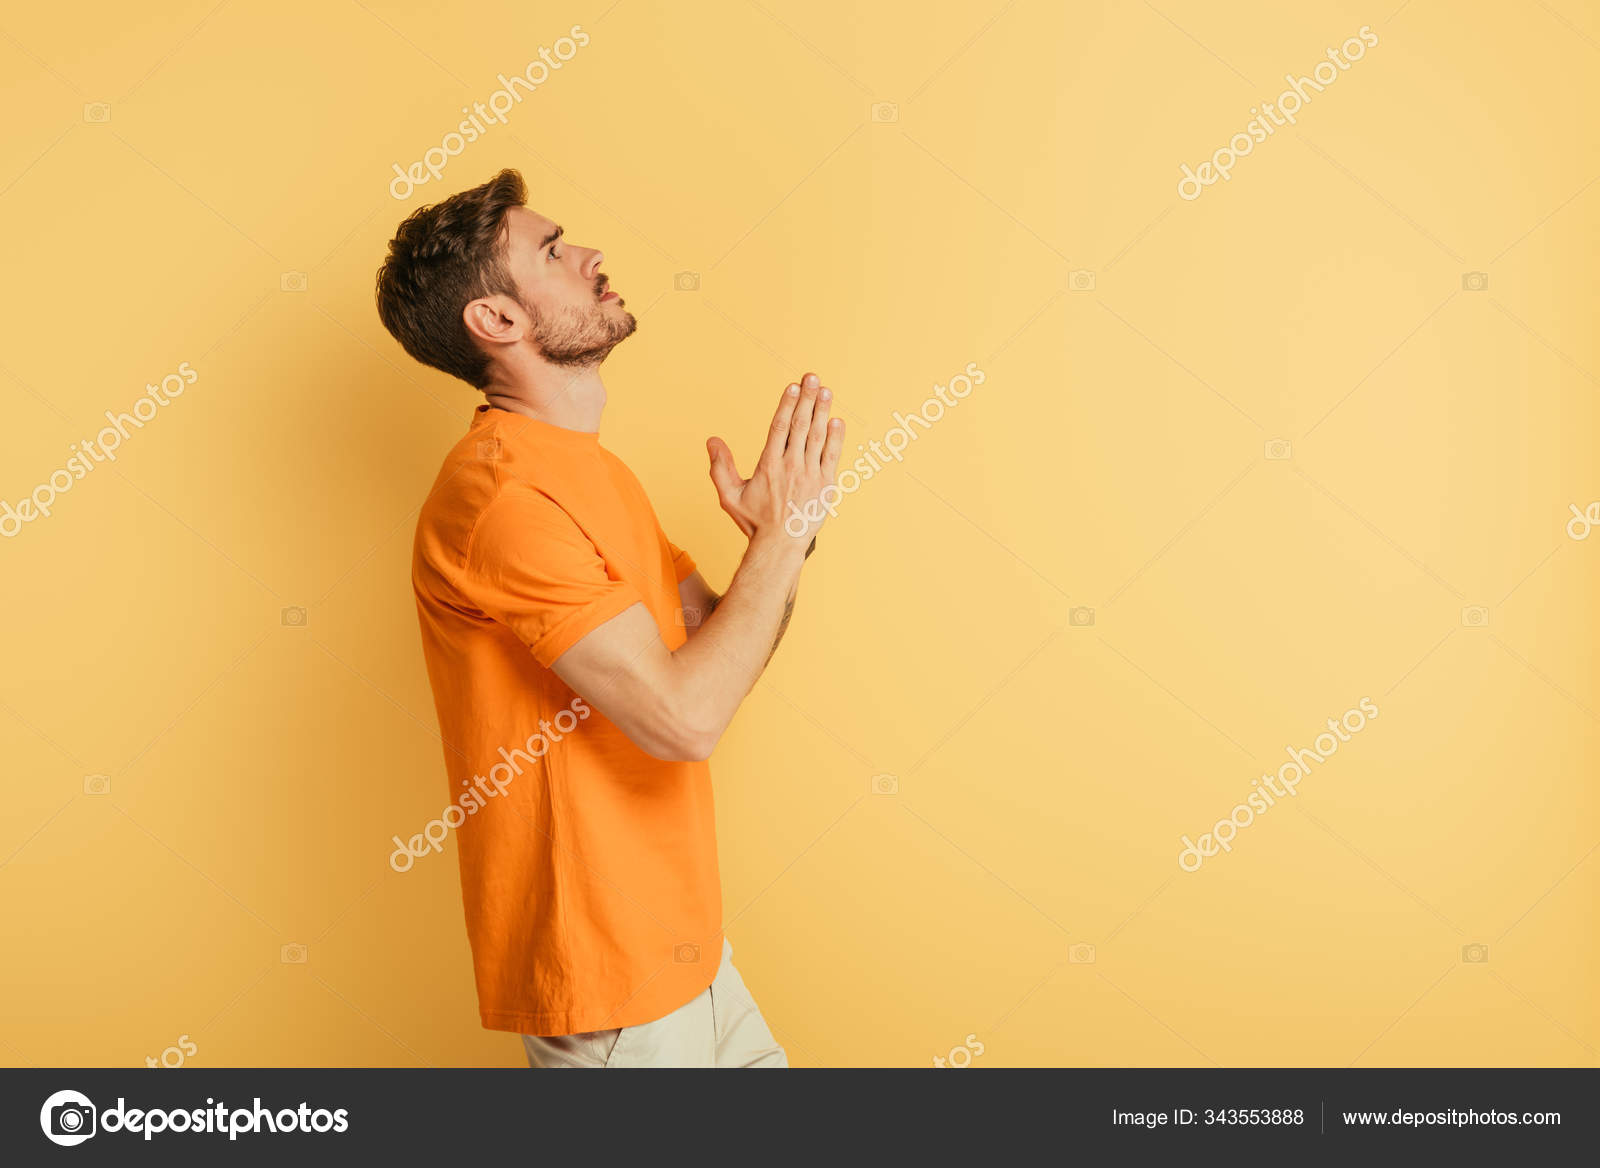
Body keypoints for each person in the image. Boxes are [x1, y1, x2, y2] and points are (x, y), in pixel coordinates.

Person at [375, 169, 842, 1067]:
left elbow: (716, 649)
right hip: (610, 982)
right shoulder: (503, 496)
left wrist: (783, 541)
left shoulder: (592, 472)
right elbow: (685, 720)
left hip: (689, 952)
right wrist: (779, 544)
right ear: (498, 321)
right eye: (551, 250)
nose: (588, 255)